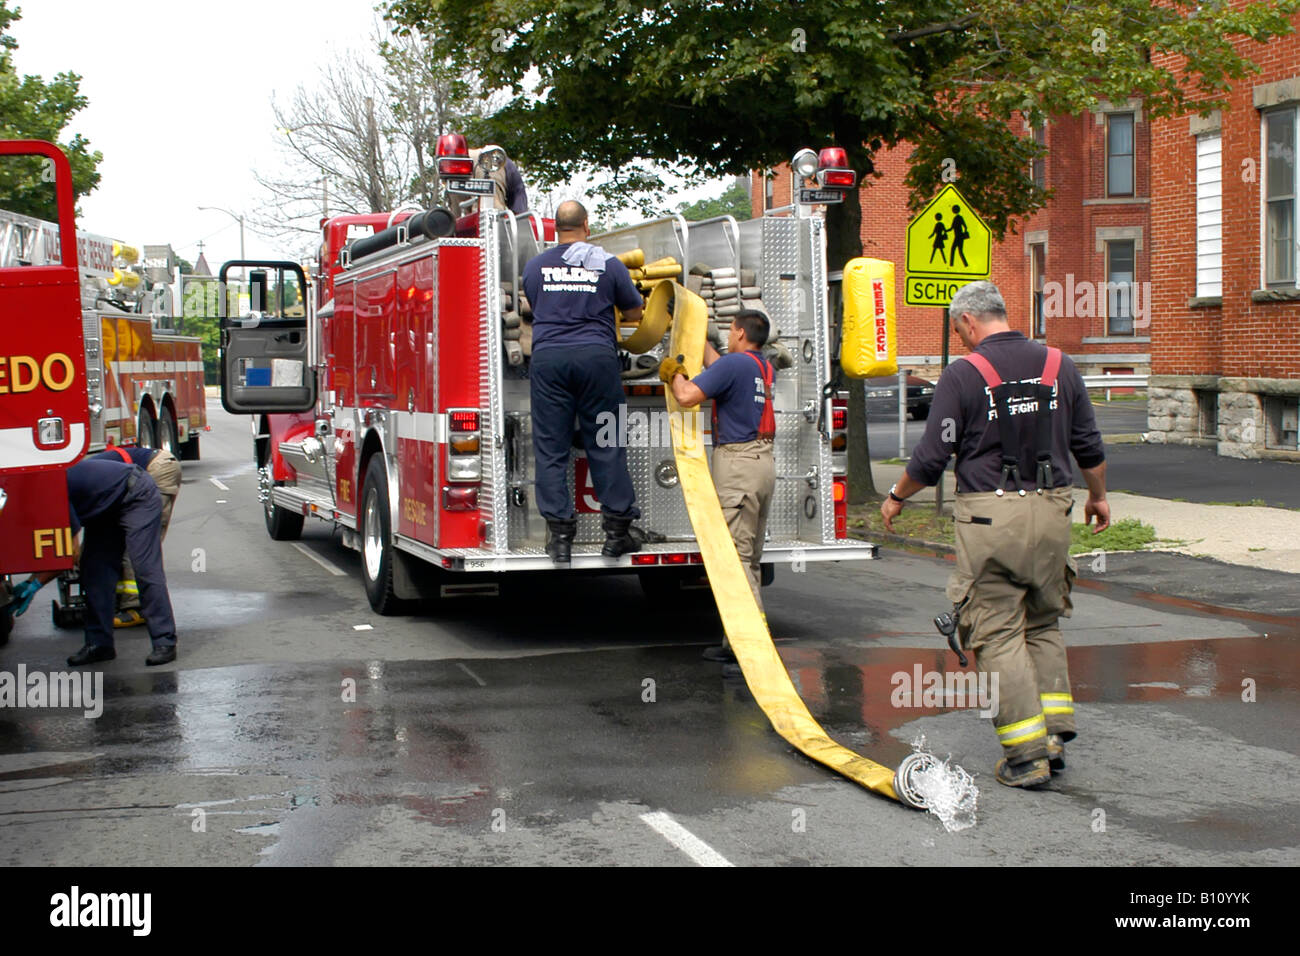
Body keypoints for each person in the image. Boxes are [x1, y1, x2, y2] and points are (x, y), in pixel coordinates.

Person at [880, 280, 1109, 789]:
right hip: (1052, 511)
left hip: (990, 517)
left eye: (957, 330)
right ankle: (1052, 736)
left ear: (966, 321)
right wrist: (1098, 496)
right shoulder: (1060, 366)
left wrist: (897, 496)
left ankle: (1026, 756)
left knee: (997, 629)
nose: (959, 340)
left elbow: (932, 457)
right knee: (1044, 620)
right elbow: (1088, 446)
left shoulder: (963, 375)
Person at [521, 200, 645, 562]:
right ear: (586, 226)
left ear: (557, 228)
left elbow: (535, 305)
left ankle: (560, 539)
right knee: (607, 441)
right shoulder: (608, 264)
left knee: (551, 448)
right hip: (597, 361)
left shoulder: (535, 267)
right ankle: (617, 533)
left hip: (550, 362)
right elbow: (635, 312)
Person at [664, 309, 777, 663]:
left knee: (734, 560)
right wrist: (692, 332)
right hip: (763, 465)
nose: (728, 337)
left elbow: (686, 396)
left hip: (738, 466)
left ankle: (750, 646)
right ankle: (739, 641)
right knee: (750, 559)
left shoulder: (735, 366)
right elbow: (719, 366)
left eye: (730, 332)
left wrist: (674, 373)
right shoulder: (760, 366)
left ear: (741, 333)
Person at [64, 456, 179, 666]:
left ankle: (164, 642)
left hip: (136, 494)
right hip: (105, 505)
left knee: (144, 568)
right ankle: (99, 645)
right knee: (95, 570)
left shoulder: (55, 489)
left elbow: (70, 553)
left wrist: (33, 583)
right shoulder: (47, 489)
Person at [91, 444, 181, 628]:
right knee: (124, 542)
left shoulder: (88, 480)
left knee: (139, 545)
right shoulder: (85, 474)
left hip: (158, 468)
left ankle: (135, 606)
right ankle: (125, 599)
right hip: (146, 471)